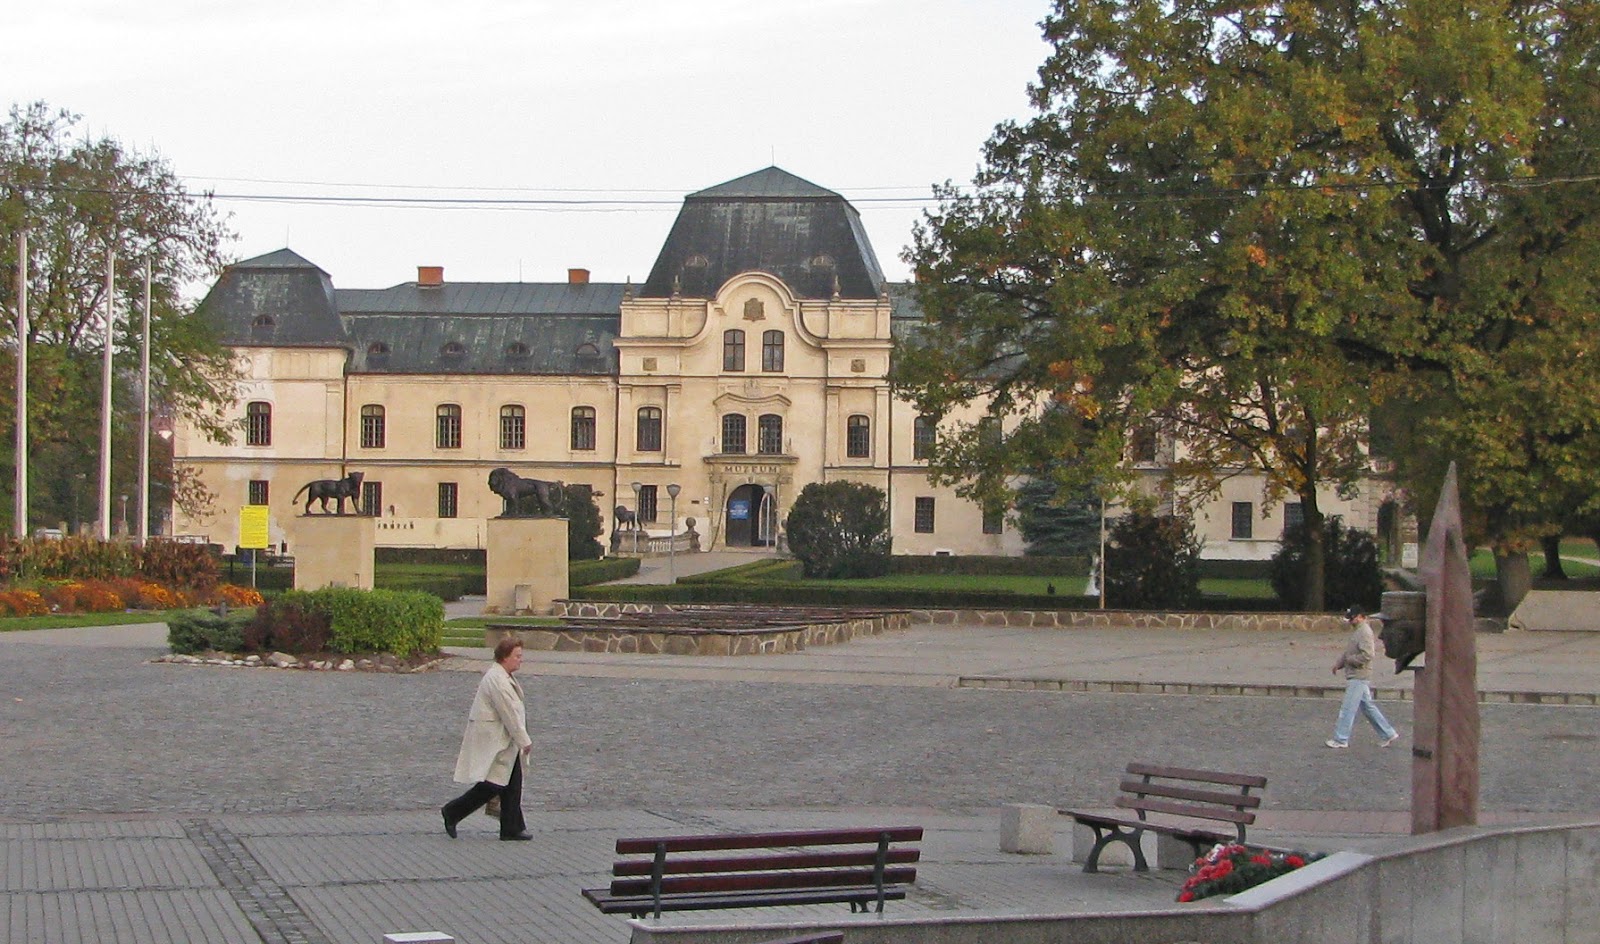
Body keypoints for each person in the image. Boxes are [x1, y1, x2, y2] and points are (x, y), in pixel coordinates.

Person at [442, 637, 533, 840]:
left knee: (512, 783)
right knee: (493, 785)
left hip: (503, 740)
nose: (521, 660)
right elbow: (508, 713)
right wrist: (524, 740)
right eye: (517, 656)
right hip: (496, 741)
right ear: (505, 657)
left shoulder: (502, 676)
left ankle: (512, 827)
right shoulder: (497, 680)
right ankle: (453, 811)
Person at [1327, 606, 1401, 749]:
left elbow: (1367, 655)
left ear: (1361, 616)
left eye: (1352, 618)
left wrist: (1349, 661)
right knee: (1367, 707)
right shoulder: (1359, 631)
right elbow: (1350, 651)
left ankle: (1341, 738)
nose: (1350, 621)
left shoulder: (1364, 632)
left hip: (1359, 675)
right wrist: (1339, 663)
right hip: (1358, 674)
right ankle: (1388, 733)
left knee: (1348, 708)